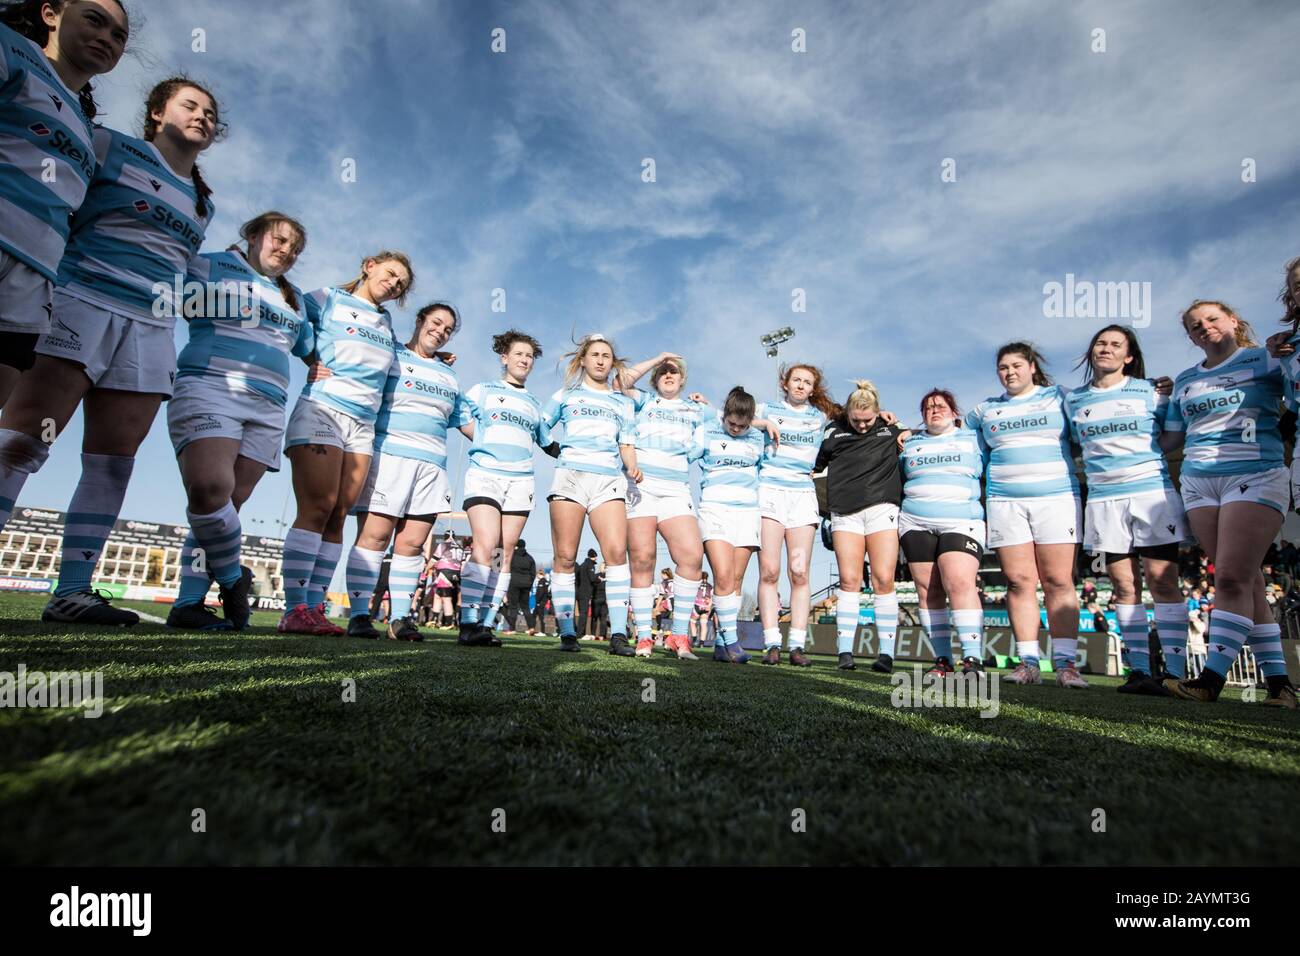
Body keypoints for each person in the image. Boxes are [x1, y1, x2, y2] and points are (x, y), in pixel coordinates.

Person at [2, 77, 221, 626]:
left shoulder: (202, 201)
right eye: (189, 105)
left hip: (150, 328)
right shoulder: (108, 147)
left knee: (113, 462)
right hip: (80, 301)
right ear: (156, 114)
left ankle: (72, 592)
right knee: (23, 440)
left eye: (210, 113)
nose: (201, 117)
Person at [165, 212, 312, 631]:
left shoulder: (294, 297)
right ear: (251, 235)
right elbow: (167, 298)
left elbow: (308, 346)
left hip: (269, 406)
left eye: (295, 248)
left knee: (227, 507)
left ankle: (188, 604)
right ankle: (234, 578)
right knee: (209, 490)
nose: (286, 251)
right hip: (212, 386)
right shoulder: (206, 264)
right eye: (279, 240)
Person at [1162, 299, 1293, 706]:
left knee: (1233, 579)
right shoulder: (1185, 380)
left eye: (1213, 318)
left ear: (1233, 321)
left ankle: (1210, 682)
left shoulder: (1266, 358)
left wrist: (1289, 354)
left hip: (1255, 473)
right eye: (1195, 325)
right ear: (1190, 336)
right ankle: (1280, 687)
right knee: (1248, 580)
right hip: (1199, 483)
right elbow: (1171, 440)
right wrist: (1153, 403)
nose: (1205, 327)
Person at [0, 0, 129, 411]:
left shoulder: (87, 126)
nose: (106, 38)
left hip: (33, 280)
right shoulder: (9, 48)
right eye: (95, 20)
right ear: (50, 15)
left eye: (118, 36)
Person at [277, 251, 412, 635]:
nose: (394, 284)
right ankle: (294, 608)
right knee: (318, 506)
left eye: (401, 283)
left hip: (363, 426)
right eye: (390, 274)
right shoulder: (328, 298)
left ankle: (315, 608)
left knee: (339, 512)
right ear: (369, 266)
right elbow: (291, 317)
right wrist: (307, 356)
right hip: (323, 408)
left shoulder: (385, 324)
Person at [1065, 324, 1190, 694]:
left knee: (1163, 580)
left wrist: (1144, 459)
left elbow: (1173, 436)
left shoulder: (1151, 392)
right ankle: (1138, 669)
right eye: (1100, 343)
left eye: (1115, 344)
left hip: (1151, 494)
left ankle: (1175, 672)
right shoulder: (1074, 400)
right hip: (1103, 500)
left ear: (1129, 356)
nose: (1106, 348)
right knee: (1123, 585)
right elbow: (1072, 445)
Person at [341, 303, 472, 641]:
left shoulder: (450, 375)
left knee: (412, 544)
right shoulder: (391, 356)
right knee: (375, 537)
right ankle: (358, 616)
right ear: (419, 321)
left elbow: (466, 423)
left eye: (447, 329)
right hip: (389, 457)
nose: (440, 332)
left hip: (431, 466)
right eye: (436, 323)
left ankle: (400, 619)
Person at [966, 343, 1089, 688]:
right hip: (1006, 502)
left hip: (1057, 498)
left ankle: (1066, 665)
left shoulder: (1060, 397)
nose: (1009, 372)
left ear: (1032, 367)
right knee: (1019, 581)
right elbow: (951, 429)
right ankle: (1029, 663)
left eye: (1016, 365)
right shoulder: (985, 410)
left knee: (1059, 581)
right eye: (1003, 367)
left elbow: (1094, 416)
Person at [457, 329, 555, 643]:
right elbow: (458, 414)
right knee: (485, 546)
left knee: (504, 552)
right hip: (485, 475)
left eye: (529, 356)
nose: (524, 360)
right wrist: (482, 440)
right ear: (505, 358)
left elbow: (548, 443)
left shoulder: (534, 403)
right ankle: (468, 621)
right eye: (519, 354)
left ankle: (486, 622)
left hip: (520, 481)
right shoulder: (483, 390)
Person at [543, 334, 638, 653]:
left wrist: (632, 466)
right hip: (570, 476)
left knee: (615, 555)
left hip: (608, 480)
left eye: (606, 356)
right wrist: (553, 448)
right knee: (566, 556)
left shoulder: (622, 402)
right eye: (595, 354)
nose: (600, 360)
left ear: (612, 364)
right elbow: (540, 424)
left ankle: (619, 635)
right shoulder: (566, 395)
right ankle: (568, 632)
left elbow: (626, 442)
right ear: (582, 360)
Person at [814, 381, 908, 671]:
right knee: (849, 581)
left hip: (882, 509)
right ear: (848, 414)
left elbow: (913, 439)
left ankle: (887, 655)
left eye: (868, 420)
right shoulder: (832, 432)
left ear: (879, 413)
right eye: (857, 420)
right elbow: (814, 466)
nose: (863, 426)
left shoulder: (891, 427)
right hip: (844, 513)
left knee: (883, 579)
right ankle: (845, 653)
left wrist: (901, 427)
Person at [618, 352, 707, 660]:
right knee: (643, 558)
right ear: (655, 379)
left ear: (682, 380)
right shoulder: (642, 401)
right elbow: (621, 380)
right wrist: (658, 358)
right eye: (663, 372)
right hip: (641, 486)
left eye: (674, 371)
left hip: (676, 489)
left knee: (692, 556)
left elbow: (737, 418)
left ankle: (679, 636)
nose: (669, 374)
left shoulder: (696, 409)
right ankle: (644, 636)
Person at [898, 388, 987, 676]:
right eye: (927, 408)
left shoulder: (972, 439)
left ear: (954, 412)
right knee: (928, 591)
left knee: (959, 582)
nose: (934, 410)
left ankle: (972, 658)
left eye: (941, 406)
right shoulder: (910, 443)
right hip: (915, 522)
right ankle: (943, 660)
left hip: (961, 521)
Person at [692, 387, 765, 663]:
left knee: (735, 580)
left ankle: (722, 644)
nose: (735, 429)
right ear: (724, 415)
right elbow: (685, 455)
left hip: (747, 513)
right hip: (714, 509)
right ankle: (734, 643)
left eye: (742, 425)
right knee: (722, 576)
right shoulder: (708, 431)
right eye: (731, 423)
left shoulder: (758, 437)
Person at [500, 538, 537, 634]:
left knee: (513, 607)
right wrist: (529, 584)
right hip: (526, 585)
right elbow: (533, 574)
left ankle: (512, 629)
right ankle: (531, 627)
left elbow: (506, 569)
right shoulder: (530, 558)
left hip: (514, 584)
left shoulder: (512, 556)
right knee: (525, 607)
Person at [575, 548, 598, 637]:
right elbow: (592, 578)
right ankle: (580, 634)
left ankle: (581, 632)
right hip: (585, 592)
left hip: (579, 592)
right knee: (584, 614)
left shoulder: (582, 565)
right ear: (593, 556)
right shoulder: (590, 565)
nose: (596, 558)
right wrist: (598, 578)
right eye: (595, 556)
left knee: (581, 613)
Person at [534, 567, 552, 636]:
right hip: (542, 601)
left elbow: (541, 593)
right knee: (534, 615)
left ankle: (542, 631)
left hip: (541, 602)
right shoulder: (545, 581)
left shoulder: (542, 581)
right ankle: (532, 628)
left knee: (541, 617)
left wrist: (538, 602)